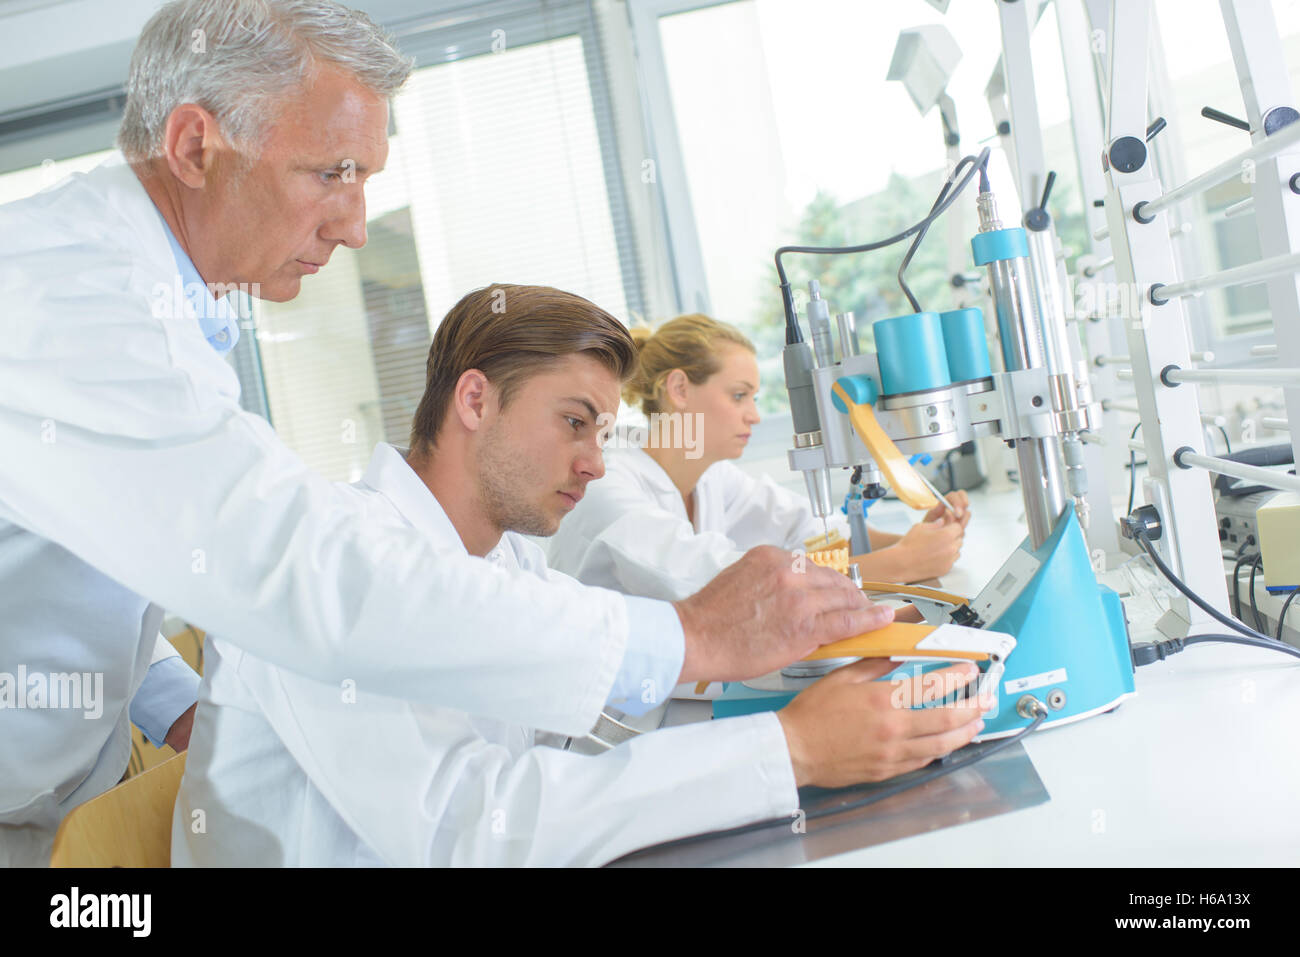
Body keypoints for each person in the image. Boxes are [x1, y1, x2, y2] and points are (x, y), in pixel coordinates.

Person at [0, 0, 879, 865]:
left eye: (366, 181)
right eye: (330, 172)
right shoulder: (67, 295)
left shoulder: (157, 312)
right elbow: (304, 569)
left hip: (59, 783)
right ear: (197, 146)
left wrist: (173, 698)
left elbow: (97, 549)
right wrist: (692, 644)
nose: (352, 225)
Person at [173, 285, 990, 867]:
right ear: (474, 400)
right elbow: (475, 831)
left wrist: (813, 695)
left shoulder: (505, 553)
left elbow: (591, 706)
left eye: (601, 430)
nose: (596, 463)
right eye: (573, 423)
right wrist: (792, 747)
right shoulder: (335, 563)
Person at [547, 314, 974, 604]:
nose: (753, 414)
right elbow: (720, 585)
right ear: (678, 389)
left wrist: (915, 538)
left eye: (753, 397)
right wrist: (900, 563)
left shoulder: (712, 480)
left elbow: (809, 533)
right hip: (621, 723)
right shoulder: (608, 484)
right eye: (738, 396)